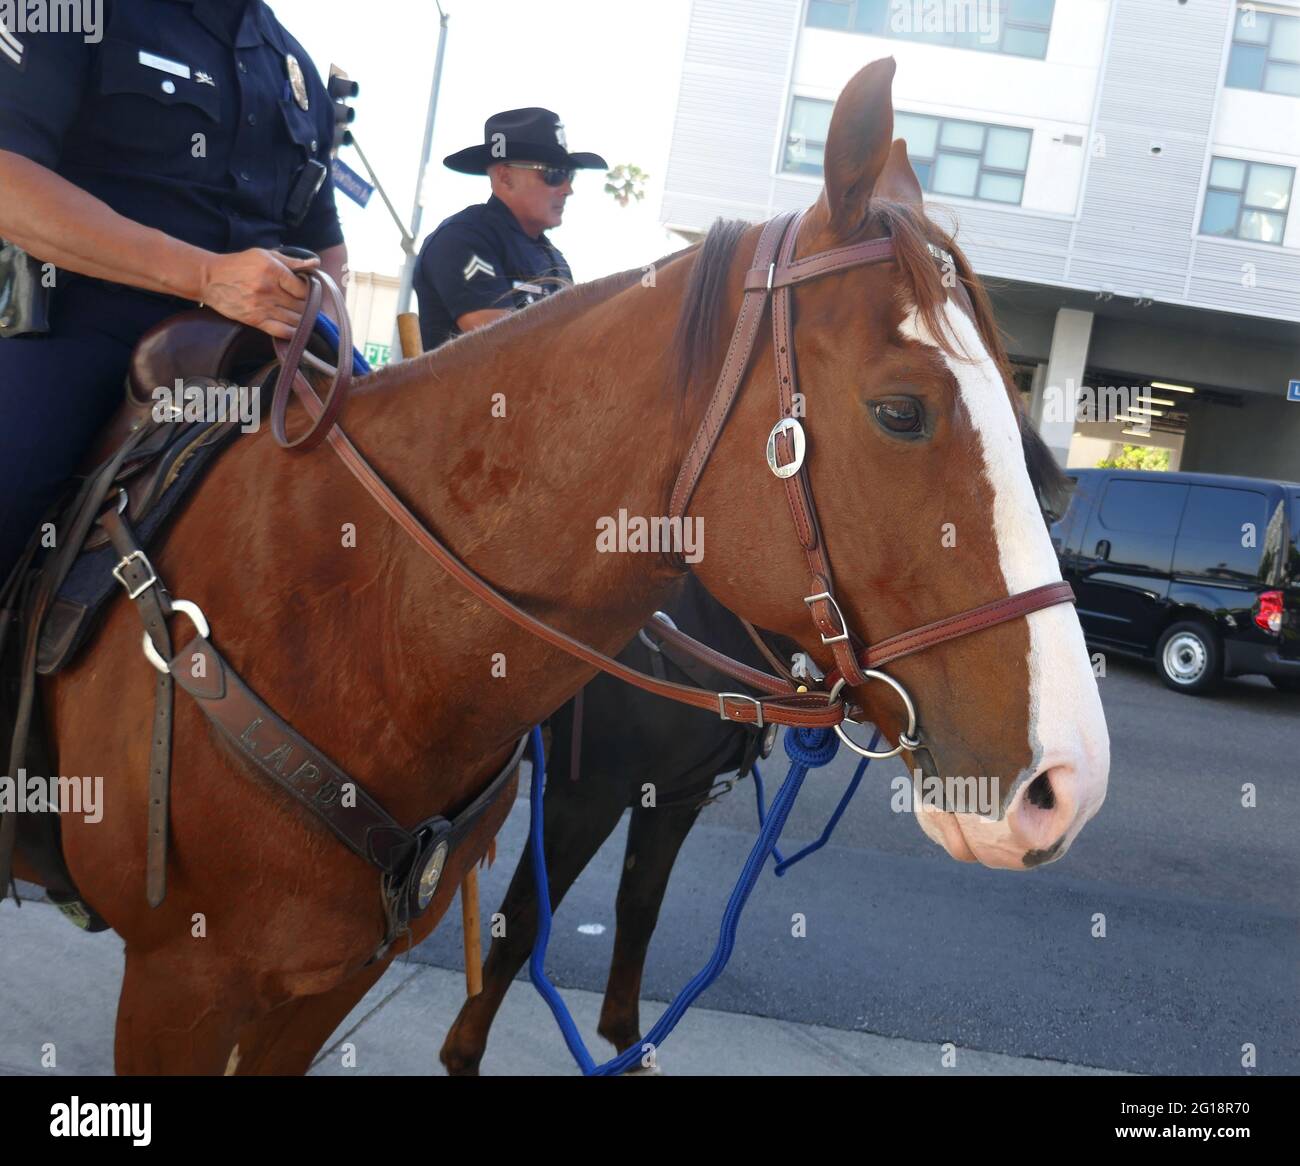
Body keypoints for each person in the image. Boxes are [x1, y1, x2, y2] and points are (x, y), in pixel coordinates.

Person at [0, 0, 348, 577]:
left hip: (259, 342)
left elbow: (322, 239)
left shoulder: (295, 69)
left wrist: (319, 319)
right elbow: (10, 179)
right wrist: (205, 275)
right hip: (81, 321)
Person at [413, 107, 606, 351]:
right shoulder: (462, 238)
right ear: (505, 177)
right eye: (554, 174)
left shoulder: (555, 259)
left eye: (570, 175)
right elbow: (504, 346)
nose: (567, 189)